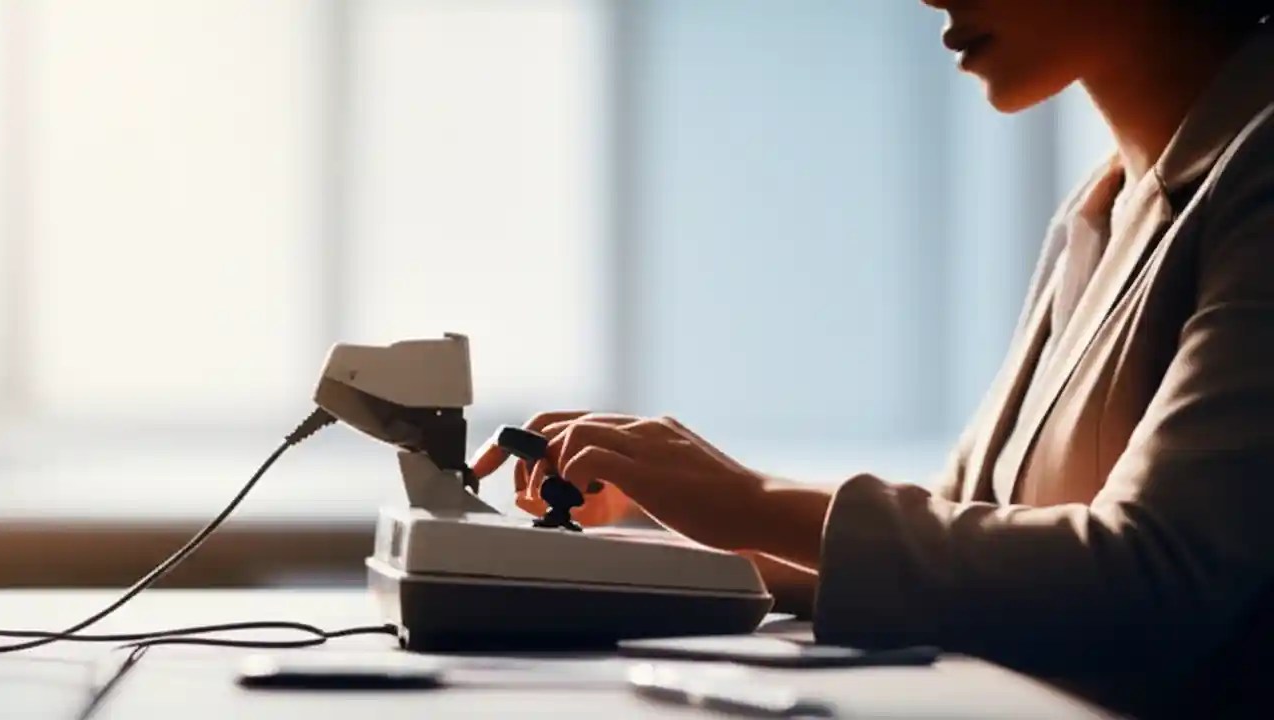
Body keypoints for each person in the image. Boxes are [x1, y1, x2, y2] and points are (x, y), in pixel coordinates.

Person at [470, 2, 1274, 716]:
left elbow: (1156, 580)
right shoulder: (1097, 208)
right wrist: (657, 539)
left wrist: (747, 497)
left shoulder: (1259, 174)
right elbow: (967, 550)